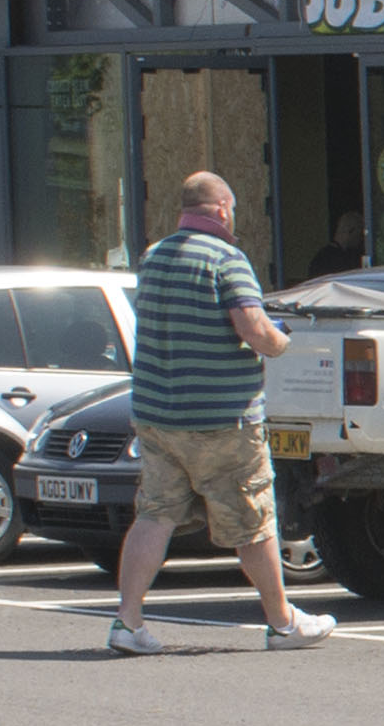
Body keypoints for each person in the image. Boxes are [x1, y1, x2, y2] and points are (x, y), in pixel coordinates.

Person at [113, 170, 333, 653]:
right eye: (231, 209)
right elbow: (253, 329)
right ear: (222, 210)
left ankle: (127, 624)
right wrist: (281, 342)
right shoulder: (227, 260)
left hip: (157, 415)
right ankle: (282, 624)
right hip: (221, 419)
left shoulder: (153, 258)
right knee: (252, 521)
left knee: (154, 516)